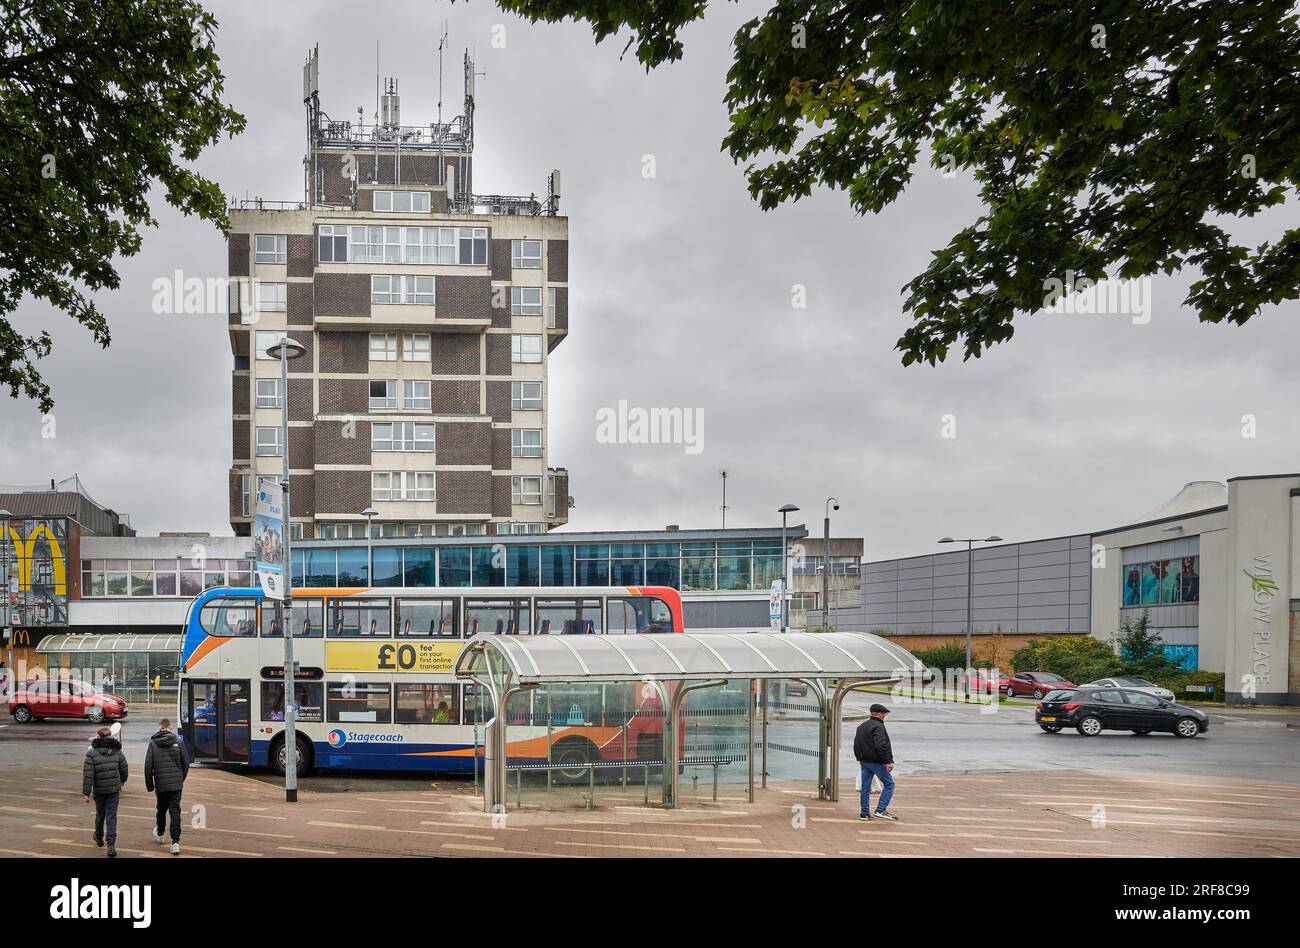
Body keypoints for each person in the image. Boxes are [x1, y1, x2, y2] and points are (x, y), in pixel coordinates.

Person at [144, 717, 190, 855]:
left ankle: (160, 834)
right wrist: (181, 779)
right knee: (175, 811)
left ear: (160, 729)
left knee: (161, 809)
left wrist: (150, 785)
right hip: (176, 784)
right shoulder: (178, 742)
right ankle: (175, 842)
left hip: (161, 784)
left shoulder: (153, 743)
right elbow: (186, 763)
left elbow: (148, 766)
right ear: (170, 728)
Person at [82, 725, 128, 857]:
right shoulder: (117, 751)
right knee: (112, 817)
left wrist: (86, 792)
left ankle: (98, 836)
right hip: (114, 789)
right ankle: (111, 845)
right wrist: (122, 781)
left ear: (98, 737)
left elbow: (88, 774)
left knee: (100, 814)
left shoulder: (91, 753)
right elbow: (124, 768)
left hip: (99, 790)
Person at [854, 703, 899, 822]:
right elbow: (881, 746)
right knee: (890, 784)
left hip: (864, 761)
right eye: (884, 713)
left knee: (865, 787)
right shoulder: (879, 726)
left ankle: (864, 813)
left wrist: (860, 758)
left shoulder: (862, 726)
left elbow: (856, 745)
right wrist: (888, 761)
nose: (885, 715)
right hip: (876, 762)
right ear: (878, 714)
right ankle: (881, 810)